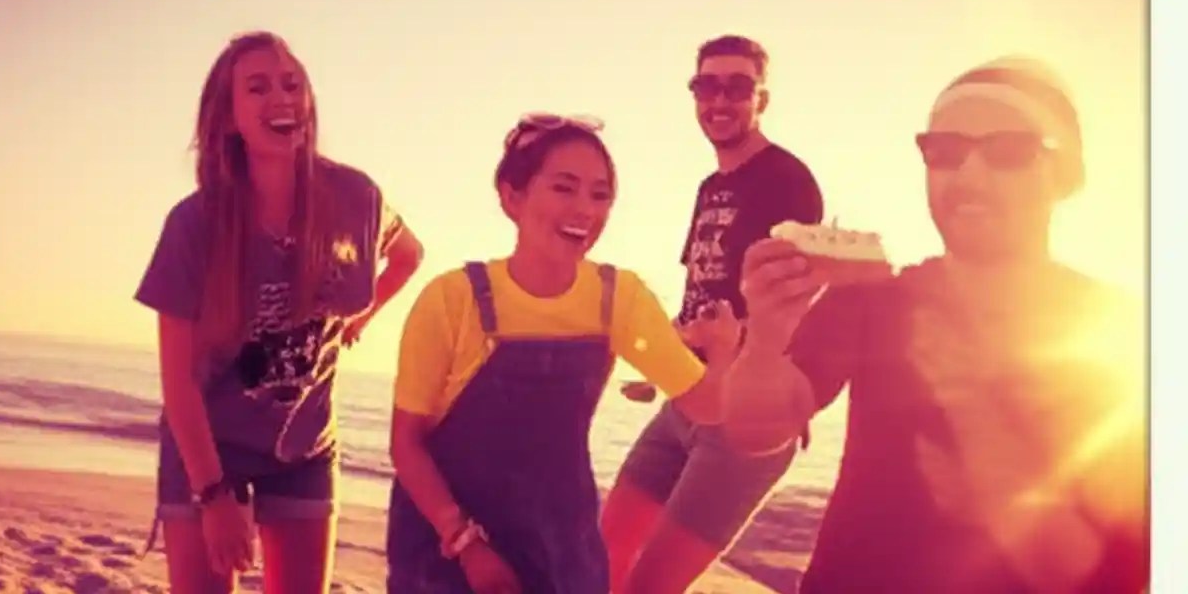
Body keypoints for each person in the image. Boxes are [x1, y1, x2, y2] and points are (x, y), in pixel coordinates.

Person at [724, 57, 1148, 593]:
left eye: (1008, 152)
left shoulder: (1120, 338)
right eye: (945, 152)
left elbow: (1114, 570)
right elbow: (755, 431)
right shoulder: (874, 298)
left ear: (1064, 175)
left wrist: (971, 413)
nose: (969, 175)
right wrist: (765, 339)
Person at [385, 113, 743, 594]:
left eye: (600, 195)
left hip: (559, 547)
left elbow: (706, 407)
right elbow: (406, 445)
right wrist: (467, 543)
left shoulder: (618, 298)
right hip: (443, 546)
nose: (584, 209)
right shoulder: (452, 299)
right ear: (512, 197)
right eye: (564, 188)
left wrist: (722, 352)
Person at [134, 31, 424, 594]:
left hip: (304, 448)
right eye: (258, 88)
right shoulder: (195, 224)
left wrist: (358, 320)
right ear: (228, 117)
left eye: (292, 84)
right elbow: (180, 382)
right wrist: (213, 495)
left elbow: (409, 255)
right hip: (209, 446)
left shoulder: (355, 197)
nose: (281, 99)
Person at [602, 34, 825, 593]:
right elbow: (703, 291)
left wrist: (734, 341)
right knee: (600, 559)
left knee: (648, 587)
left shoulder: (787, 181)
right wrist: (668, 353)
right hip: (689, 396)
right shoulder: (711, 187)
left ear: (761, 99)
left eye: (737, 87)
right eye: (706, 86)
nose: (719, 100)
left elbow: (798, 298)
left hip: (743, 419)